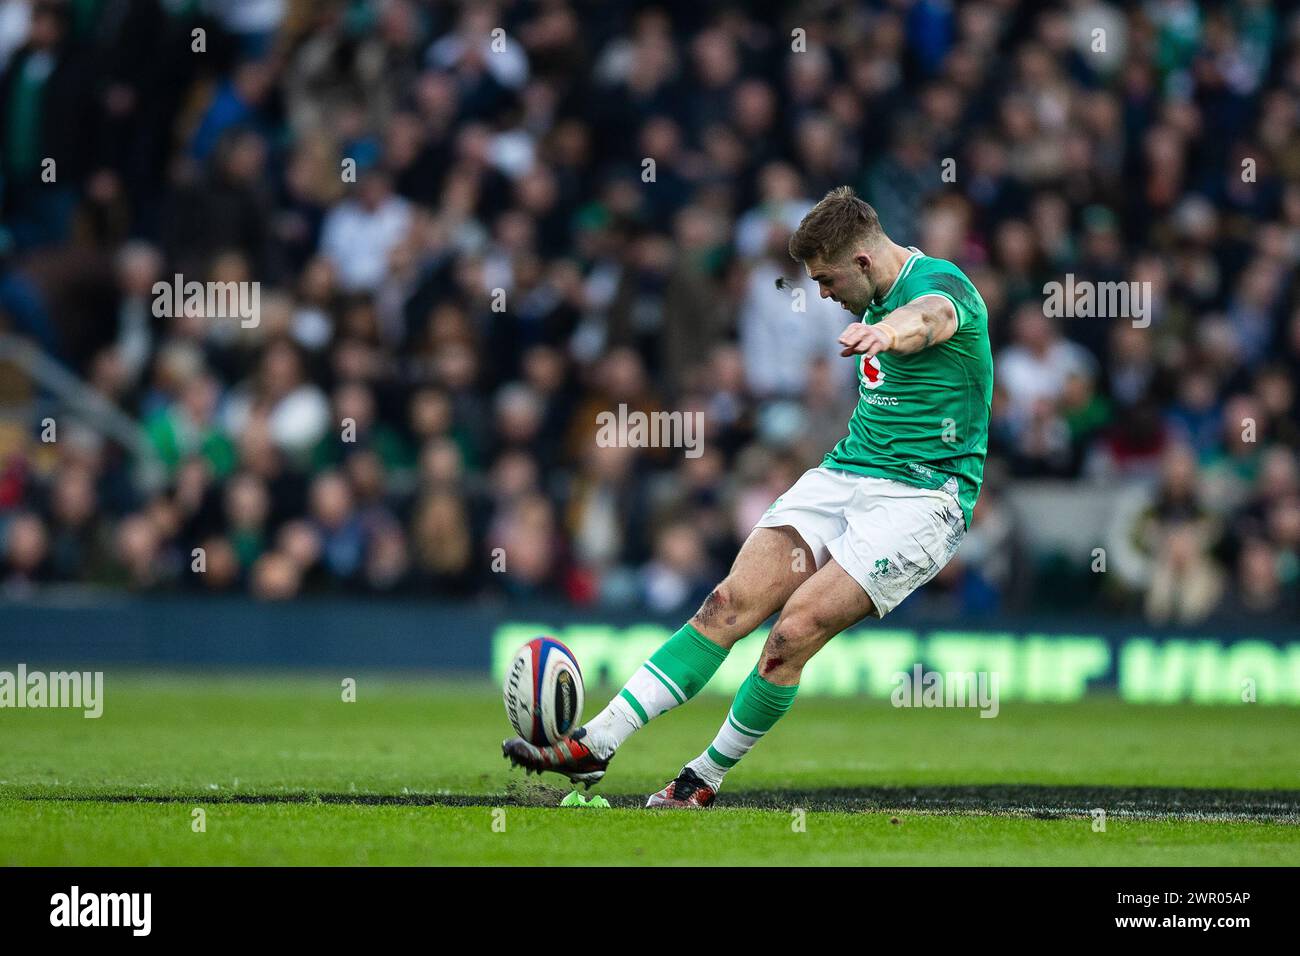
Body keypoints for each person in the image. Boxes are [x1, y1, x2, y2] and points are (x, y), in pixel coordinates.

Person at [514, 186, 995, 807]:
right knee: (726, 603)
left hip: (923, 498)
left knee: (790, 635)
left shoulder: (943, 284)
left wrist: (892, 335)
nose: (821, 293)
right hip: (846, 472)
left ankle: (702, 778)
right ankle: (597, 743)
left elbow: (930, 318)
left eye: (825, 279)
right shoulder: (868, 298)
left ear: (864, 263)